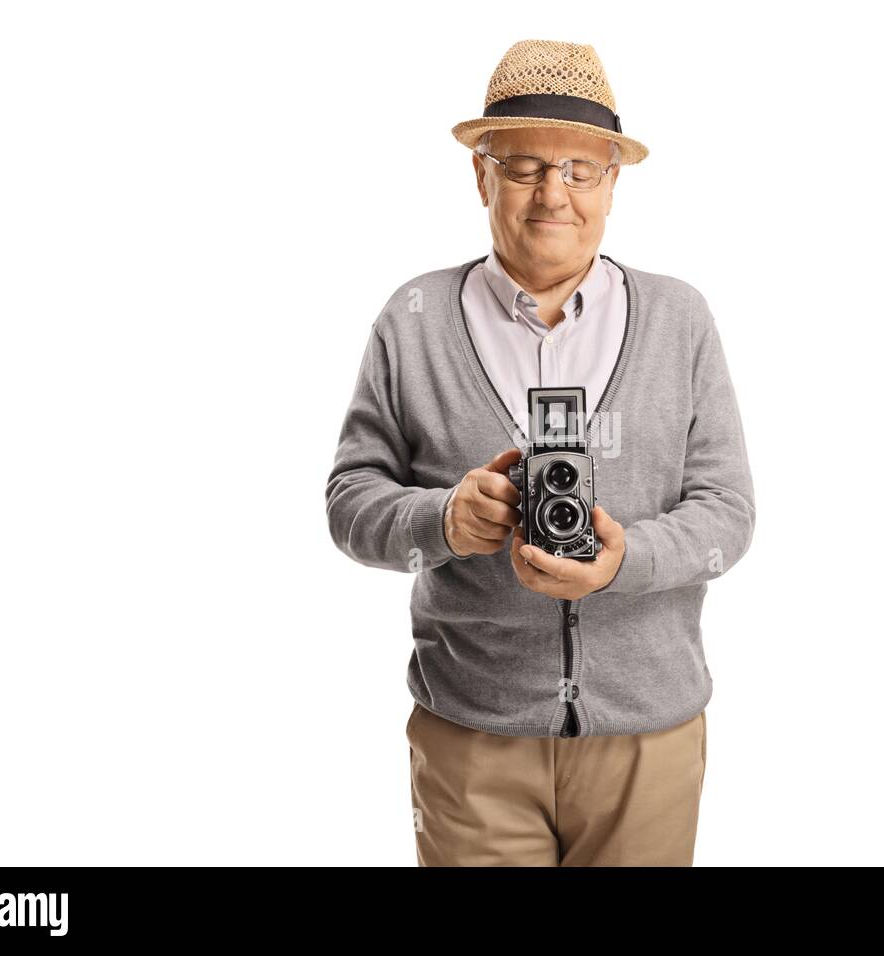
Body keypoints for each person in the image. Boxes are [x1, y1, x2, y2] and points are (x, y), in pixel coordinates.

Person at [325, 39, 755, 865]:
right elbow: (350, 501)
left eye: (579, 170)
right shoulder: (412, 320)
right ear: (481, 176)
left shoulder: (680, 319)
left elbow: (728, 513)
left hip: (648, 734)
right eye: (523, 167)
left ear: (611, 184)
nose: (552, 193)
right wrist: (443, 518)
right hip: (473, 734)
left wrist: (625, 556)